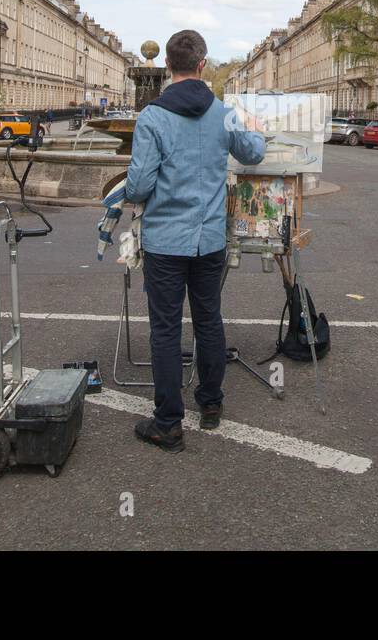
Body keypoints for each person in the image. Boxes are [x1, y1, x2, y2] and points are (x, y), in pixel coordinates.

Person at [123, 30, 266, 452]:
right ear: (202, 65)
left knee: (165, 329)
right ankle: (210, 405)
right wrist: (254, 131)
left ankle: (168, 422)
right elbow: (253, 154)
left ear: (168, 67)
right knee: (209, 320)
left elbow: (138, 186)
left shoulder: (152, 116)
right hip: (209, 239)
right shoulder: (223, 113)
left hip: (166, 240)